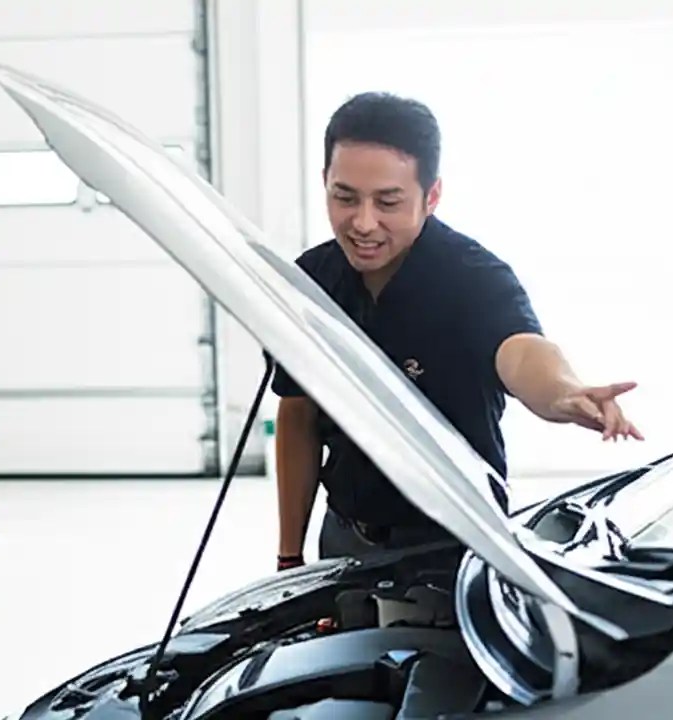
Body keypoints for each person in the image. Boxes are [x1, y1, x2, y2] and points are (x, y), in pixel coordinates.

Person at [273, 92, 643, 572]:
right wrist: (289, 555)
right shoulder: (311, 279)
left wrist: (563, 393)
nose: (363, 223)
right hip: (344, 535)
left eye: (388, 201)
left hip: (453, 545)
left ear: (432, 196)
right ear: (324, 181)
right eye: (345, 197)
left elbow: (521, 352)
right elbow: (298, 416)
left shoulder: (473, 278)